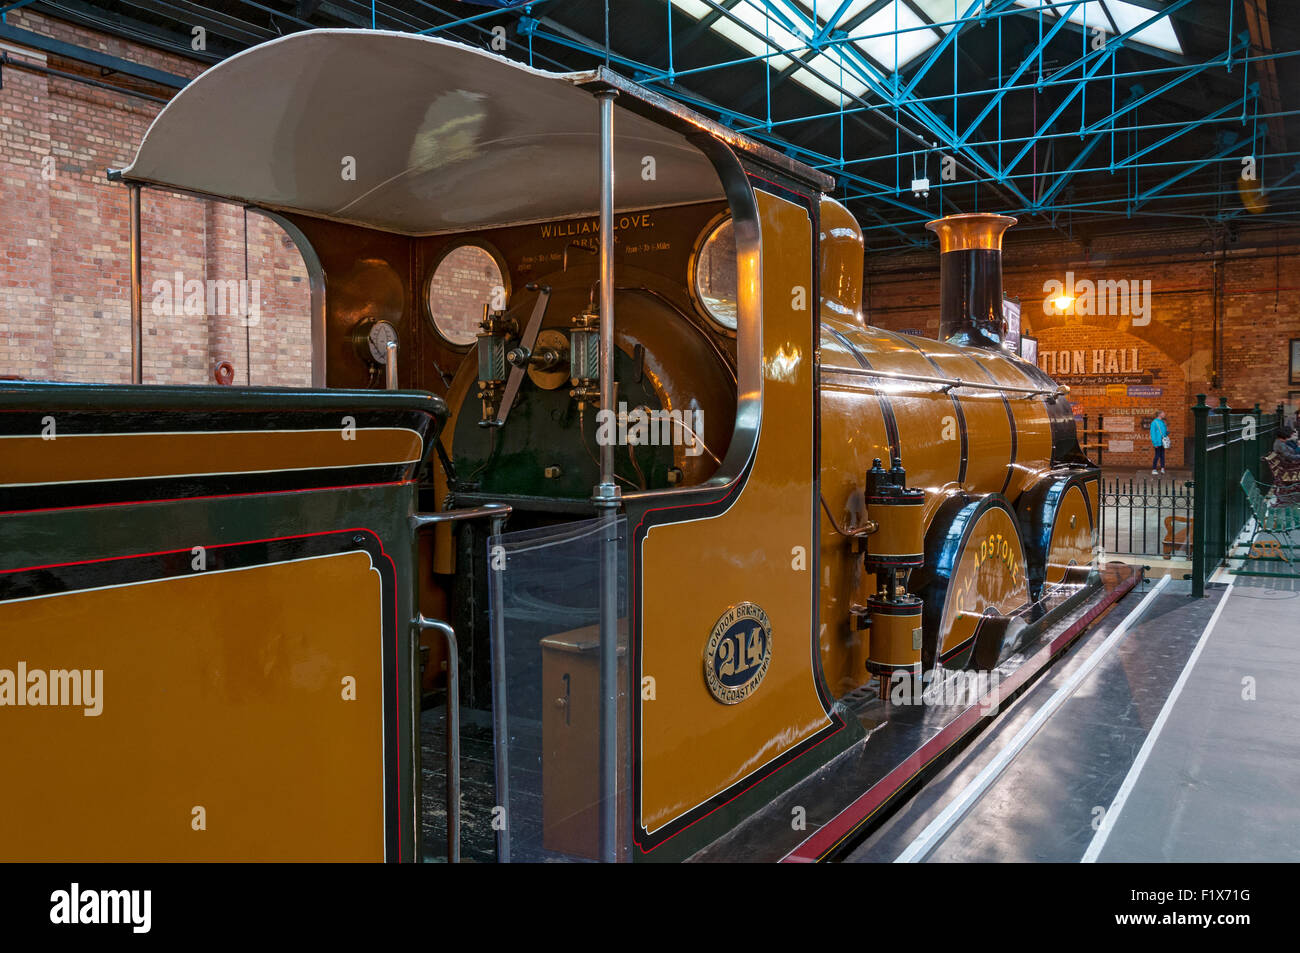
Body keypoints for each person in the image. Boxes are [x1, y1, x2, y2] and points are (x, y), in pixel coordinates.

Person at [1149, 411, 1168, 475]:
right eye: (1163, 413)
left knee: (1162, 455)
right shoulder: (1154, 422)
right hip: (1157, 442)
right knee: (1157, 456)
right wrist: (1155, 443)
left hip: (1163, 442)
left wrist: (1167, 430)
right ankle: (1154, 469)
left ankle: (1162, 468)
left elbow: (1165, 433)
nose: (1164, 414)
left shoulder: (1163, 422)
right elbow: (1152, 433)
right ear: (1159, 414)